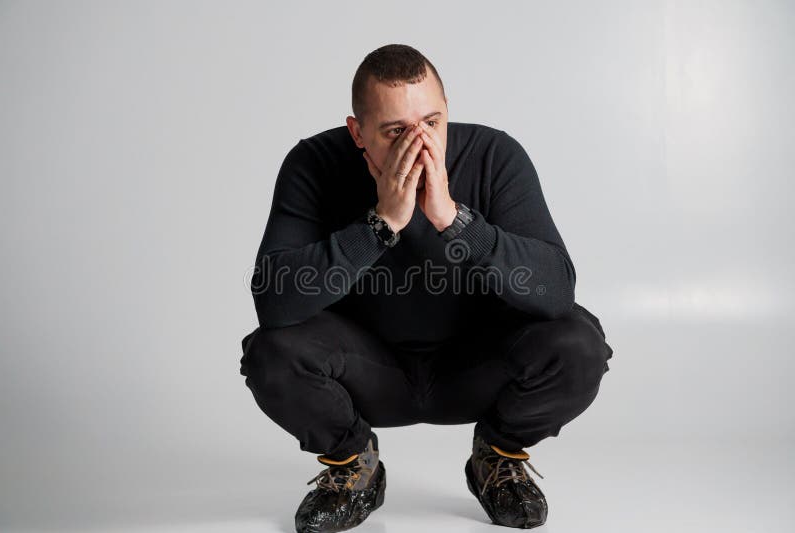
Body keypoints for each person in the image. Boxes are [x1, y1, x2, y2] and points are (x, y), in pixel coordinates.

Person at [239, 43, 614, 532]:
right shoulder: (314, 162)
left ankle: (497, 456)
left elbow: (554, 290)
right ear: (358, 132)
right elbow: (274, 301)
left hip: (473, 367)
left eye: (431, 124)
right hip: (368, 372)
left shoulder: (495, 155)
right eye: (396, 131)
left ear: (448, 115)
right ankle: (355, 465)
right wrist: (381, 224)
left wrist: (454, 219)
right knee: (271, 352)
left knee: (578, 343)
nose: (420, 145)